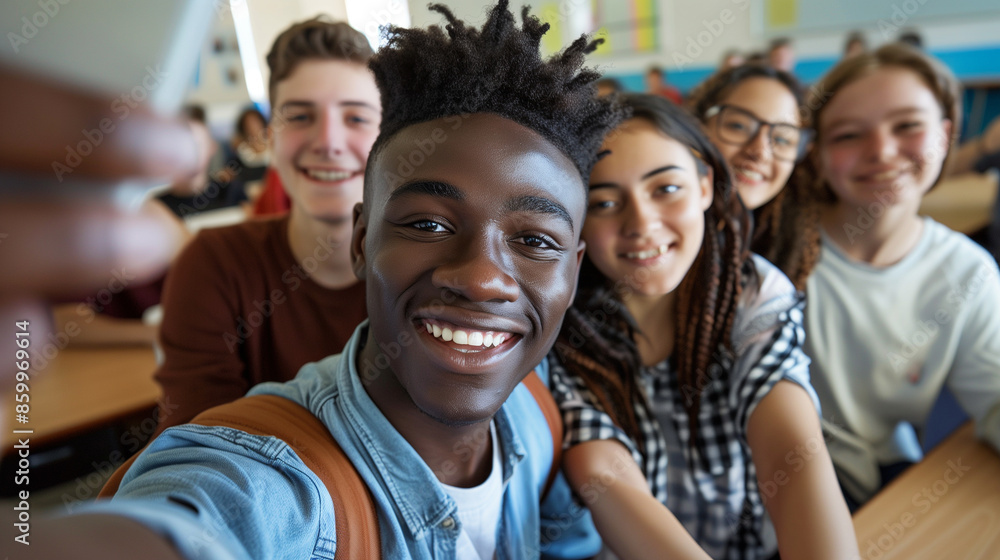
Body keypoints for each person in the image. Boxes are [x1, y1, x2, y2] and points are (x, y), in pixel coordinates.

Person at [28, 1, 624, 558]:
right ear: (363, 241)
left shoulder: (533, 412)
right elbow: (208, 497)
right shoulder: (278, 475)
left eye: (535, 240)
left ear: (573, 270)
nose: (482, 279)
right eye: (427, 223)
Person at [550, 94, 856, 559]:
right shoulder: (561, 327)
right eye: (605, 202)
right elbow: (604, 476)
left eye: (666, 189)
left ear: (705, 186)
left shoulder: (750, 290)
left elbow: (792, 449)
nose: (642, 223)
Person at [151, 17, 377, 434]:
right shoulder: (213, 264)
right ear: (271, 136)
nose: (328, 141)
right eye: (300, 116)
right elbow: (197, 449)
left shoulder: (423, 269)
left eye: (356, 118)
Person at [802, 43, 1000, 508]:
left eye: (908, 126)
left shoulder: (966, 272)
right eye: (849, 135)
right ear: (818, 154)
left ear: (946, 135)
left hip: (880, 477)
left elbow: (993, 398)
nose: (882, 151)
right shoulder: (779, 258)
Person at [688, 63, 818, 288]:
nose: (760, 152)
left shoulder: (792, 252)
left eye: (781, 139)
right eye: (739, 126)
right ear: (698, 127)